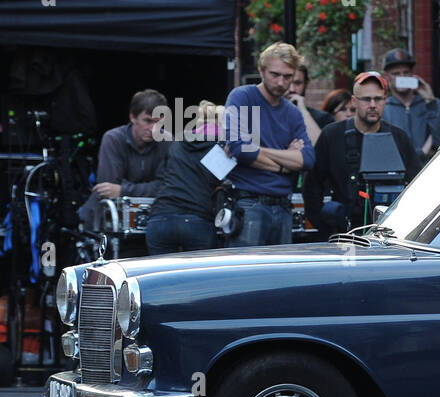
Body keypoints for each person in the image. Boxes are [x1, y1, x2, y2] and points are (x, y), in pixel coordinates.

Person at [304, 71, 421, 236]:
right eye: (366, 99)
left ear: (385, 100)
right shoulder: (332, 135)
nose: (373, 104)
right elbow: (312, 186)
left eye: (378, 99)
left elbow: (417, 185)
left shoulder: (399, 138)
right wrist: (325, 226)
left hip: (389, 234)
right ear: (354, 101)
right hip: (343, 233)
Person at [222, 42, 315, 247]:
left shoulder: (292, 112)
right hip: (250, 202)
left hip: (283, 205)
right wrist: (285, 162)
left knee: (280, 276)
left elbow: (308, 159)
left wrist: (259, 150)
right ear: (261, 70)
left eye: (288, 76)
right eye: (275, 74)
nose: (281, 82)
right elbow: (240, 148)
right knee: (246, 271)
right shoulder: (242, 96)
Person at [78, 89, 169, 229]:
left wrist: (123, 190)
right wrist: (147, 188)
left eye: (158, 122)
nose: (153, 128)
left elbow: (166, 187)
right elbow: (108, 189)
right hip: (106, 218)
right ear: (133, 117)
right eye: (148, 121)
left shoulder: (167, 141)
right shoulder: (113, 139)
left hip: (150, 218)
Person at [145, 101, 223, 254]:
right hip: (197, 219)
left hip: (160, 218)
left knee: (160, 277)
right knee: (199, 278)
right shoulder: (221, 148)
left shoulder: (178, 142)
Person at [381, 48, 440, 158]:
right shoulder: (383, 108)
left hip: (428, 170)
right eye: (396, 74)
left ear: (412, 75)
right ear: (387, 77)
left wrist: (430, 101)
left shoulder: (433, 104)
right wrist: (421, 152)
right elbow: (386, 150)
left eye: (406, 72)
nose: (402, 77)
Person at [289, 63, 330, 145]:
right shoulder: (261, 114)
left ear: (306, 83)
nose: (292, 89)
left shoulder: (323, 118)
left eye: (297, 83)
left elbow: (323, 150)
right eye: (288, 82)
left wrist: (303, 110)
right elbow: (256, 153)